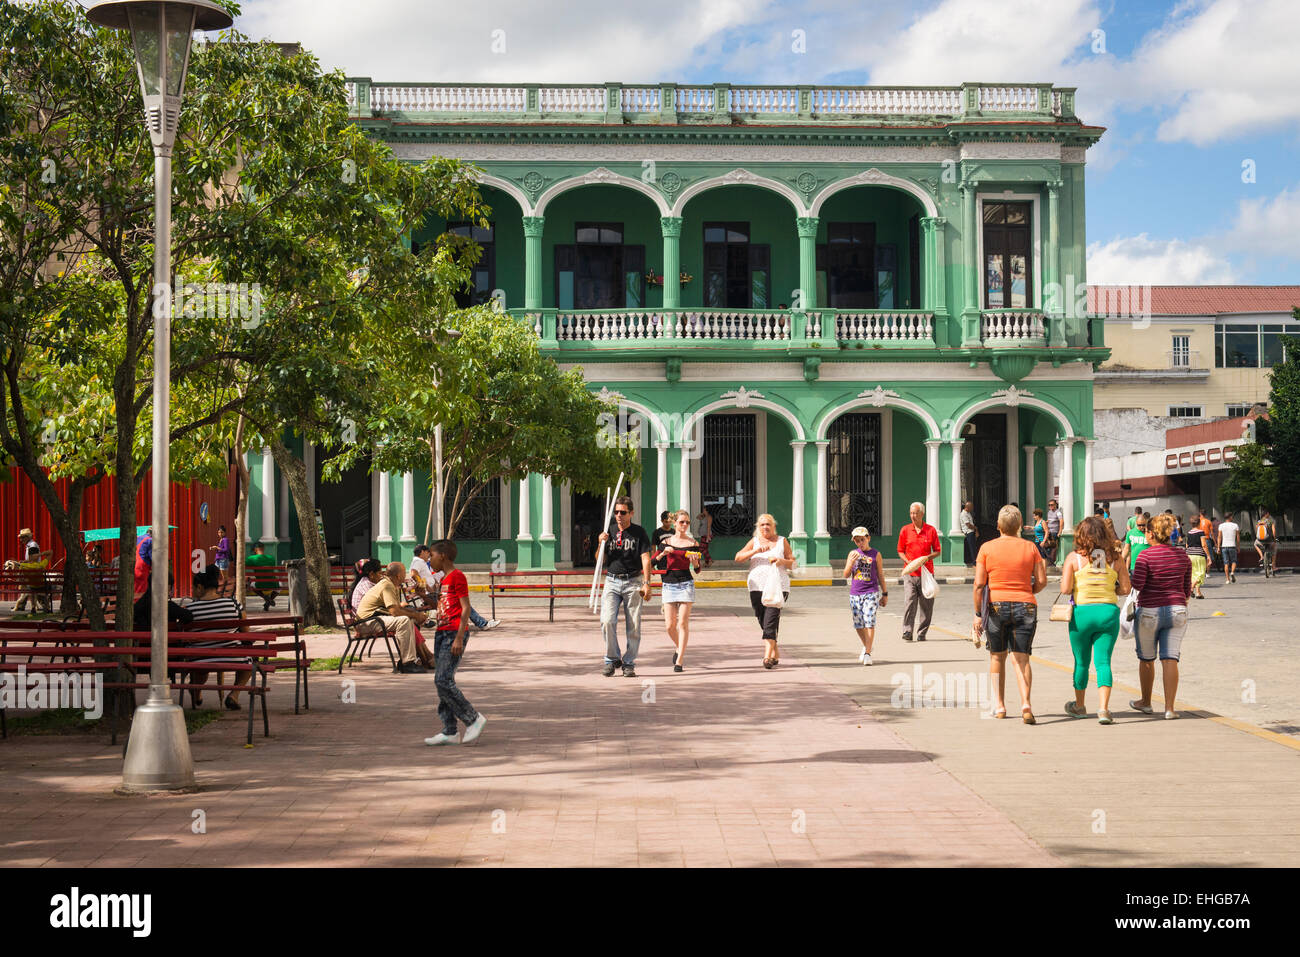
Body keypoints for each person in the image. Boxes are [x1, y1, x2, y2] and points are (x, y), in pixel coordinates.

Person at [972, 505, 1047, 723]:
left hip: (996, 606)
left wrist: (978, 613)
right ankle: (1026, 704)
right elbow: (1041, 581)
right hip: (1026, 605)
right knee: (1022, 659)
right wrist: (1026, 591)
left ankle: (1000, 706)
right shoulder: (1031, 548)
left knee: (997, 656)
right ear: (1019, 527)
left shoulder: (986, 548)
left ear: (998, 526)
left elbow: (978, 585)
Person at [1059, 516, 1131, 724]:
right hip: (1107, 614)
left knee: (1081, 662)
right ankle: (1103, 709)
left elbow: (1065, 589)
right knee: (1103, 662)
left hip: (1082, 615)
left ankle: (1079, 706)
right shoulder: (1115, 559)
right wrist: (1110, 587)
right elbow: (1125, 589)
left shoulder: (1074, 558)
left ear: (1080, 535)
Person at [423, 540, 486, 746]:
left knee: (443, 680)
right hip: (442, 632)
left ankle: (473, 718)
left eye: (431, 555)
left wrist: (459, 637)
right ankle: (449, 731)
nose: (429, 559)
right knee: (442, 681)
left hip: (453, 633)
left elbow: (465, 607)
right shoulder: (445, 579)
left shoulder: (457, 576)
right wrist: (420, 594)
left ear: (443, 555)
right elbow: (441, 605)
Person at [1130, 513, 1192, 720]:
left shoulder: (1146, 556)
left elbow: (1137, 585)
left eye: (1146, 530)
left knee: (1147, 658)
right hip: (1177, 610)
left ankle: (1146, 702)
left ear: (1152, 533)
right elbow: (1186, 589)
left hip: (1150, 611)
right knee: (1170, 659)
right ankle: (1169, 708)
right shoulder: (1182, 556)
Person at [597, 496, 652, 677]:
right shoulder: (609, 531)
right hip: (612, 580)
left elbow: (645, 558)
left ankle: (628, 662)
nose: (619, 515)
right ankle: (612, 659)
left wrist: (647, 583)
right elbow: (599, 559)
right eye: (616, 512)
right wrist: (601, 543)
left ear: (631, 513)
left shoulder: (639, 532)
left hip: (633, 581)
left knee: (634, 624)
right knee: (607, 621)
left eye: (623, 512)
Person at [184, 566, 251, 710]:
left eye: (194, 588)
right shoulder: (233, 604)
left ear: (200, 587)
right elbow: (246, 632)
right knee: (248, 664)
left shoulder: (190, 609)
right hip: (233, 655)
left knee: (200, 669)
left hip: (200, 657)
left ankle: (196, 692)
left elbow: (186, 636)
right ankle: (234, 695)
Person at [736, 514, 795, 669]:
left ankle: (767, 656)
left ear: (773, 526)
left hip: (778, 586)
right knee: (763, 619)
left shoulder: (782, 541)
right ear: (758, 527)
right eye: (762, 525)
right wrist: (754, 551)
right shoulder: (754, 542)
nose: (765, 527)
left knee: (770, 619)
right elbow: (738, 557)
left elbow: (793, 563)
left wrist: (782, 561)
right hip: (756, 587)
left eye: (768, 524)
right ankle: (775, 651)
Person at [355, 559, 430, 673]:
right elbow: (395, 611)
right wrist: (416, 615)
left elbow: (397, 608)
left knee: (408, 619)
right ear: (399, 575)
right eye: (405, 573)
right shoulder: (387, 585)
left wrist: (415, 615)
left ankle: (408, 660)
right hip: (366, 623)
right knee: (404, 620)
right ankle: (408, 662)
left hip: (374, 619)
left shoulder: (390, 584)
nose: (405, 576)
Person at [652, 510, 701, 672]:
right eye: (681, 522)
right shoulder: (666, 542)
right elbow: (652, 562)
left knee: (682, 623)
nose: (684, 525)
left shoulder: (693, 543)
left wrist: (695, 563)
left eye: (687, 522)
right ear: (675, 524)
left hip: (686, 583)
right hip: (669, 583)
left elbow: (698, 569)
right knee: (669, 625)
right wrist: (662, 555)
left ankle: (679, 661)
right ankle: (680, 647)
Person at [410, 543, 500, 630]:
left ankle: (477, 622)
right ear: (422, 552)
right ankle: (482, 623)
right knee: (460, 601)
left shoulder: (419, 562)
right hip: (429, 596)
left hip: (431, 594)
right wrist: (424, 585)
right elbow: (413, 573)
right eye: (427, 553)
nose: (429, 556)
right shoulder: (419, 561)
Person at [897, 501, 941, 642]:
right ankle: (907, 631)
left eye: (915, 513)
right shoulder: (905, 530)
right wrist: (908, 561)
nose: (913, 516)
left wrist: (926, 558)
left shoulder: (931, 530)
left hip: (926, 573)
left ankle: (922, 632)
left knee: (926, 605)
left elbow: (938, 551)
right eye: (911, 513)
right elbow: (900, 550)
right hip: (910, 573)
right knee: (910, 602)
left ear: (922, 514)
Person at [842, 526, 886, 665]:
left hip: (871, 592)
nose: (860, 543)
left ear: (868, 538)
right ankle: (868, 645)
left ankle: (867, 653)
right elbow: (845, 574)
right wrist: (850, 562)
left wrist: (884, 593)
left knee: (869, 621)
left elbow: (880, 574)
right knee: (858, 624)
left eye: (862, 539)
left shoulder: (875, 554)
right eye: (857, 541)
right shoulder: (852, 554)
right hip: (855, 593)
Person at [245, 542, 280, 612]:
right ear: (263, 549)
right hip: (273, 584)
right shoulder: (271, 558)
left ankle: (265, 597)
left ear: (255, 550)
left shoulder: (251, 558)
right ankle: (269, 600)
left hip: (260, 585)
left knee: (251, 585)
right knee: (280, 585)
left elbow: (242, 565)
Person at [208, 525, 233, 597]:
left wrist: (217, 547)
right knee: (215, 574)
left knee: (224, 577)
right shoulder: (221, 540)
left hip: (223, 559)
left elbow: (225, 550)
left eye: (222, 532)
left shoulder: (225, 539)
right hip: (218, 559)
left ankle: (227, 591)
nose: (220, 534)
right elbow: (221, 549)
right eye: (219, 532)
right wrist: (215, 548)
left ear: (225, 533)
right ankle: (222, 590)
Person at [1185, 520, 1208, 599]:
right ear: (1199, 523)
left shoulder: (1189, 533)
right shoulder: (1201, 532)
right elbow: (1204, 545)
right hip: (1199, 554)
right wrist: (1208, 556)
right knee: (1201, 573)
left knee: (1194, 573)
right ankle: (1191, 587)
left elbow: (1187, 545)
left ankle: (1198, 593)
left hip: (1189, 555)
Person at [1217, 513, 1241, 583]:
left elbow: (1219, 537)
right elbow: (1238, 538)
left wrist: (1218, 547)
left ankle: (1227, 579)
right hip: (1232, 546)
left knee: (1226, 563)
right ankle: (1232, 572)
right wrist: (1238, 546)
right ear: (1230, 517)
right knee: (1234, 561)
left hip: (1224, 546)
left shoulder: (1221, 526)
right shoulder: (1235, 525)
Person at [1255, 509, 1278, 578]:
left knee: (1255, 544)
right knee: (1274, 550)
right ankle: (1273, 566)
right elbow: (1273, 531)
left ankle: (1261, 556)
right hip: (1269, 540)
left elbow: (1257, 531)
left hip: (1260, 541)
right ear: (1266, 514)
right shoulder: (1271, 521)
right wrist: (1274, 539)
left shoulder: (1259, 522)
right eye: (1268, 513)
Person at [1044, 498, 1063, 565]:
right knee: (1047, 547)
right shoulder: (1049, 512)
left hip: (1055, 532)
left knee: (1053, 547)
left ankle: (1051, 562)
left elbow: (1061, 521)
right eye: (1049, 505)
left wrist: (1060, 531)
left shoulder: (1058, 512)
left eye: (1052, 505)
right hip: (1049, 532)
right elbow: (1049, 521)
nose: (1050, 506)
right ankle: (1049, 561)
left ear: (1055, 505)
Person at [959, 501, 977, 567]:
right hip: (968, 532)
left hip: (971, 532)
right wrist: (976, 528)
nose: (972, 508)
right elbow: (968, 525)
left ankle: (972, 561)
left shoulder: (968, 513)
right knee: (972, 548)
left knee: (972, 547)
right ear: (968, 507)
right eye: (971, 507)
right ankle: (974, 562)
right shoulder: (964, 514)